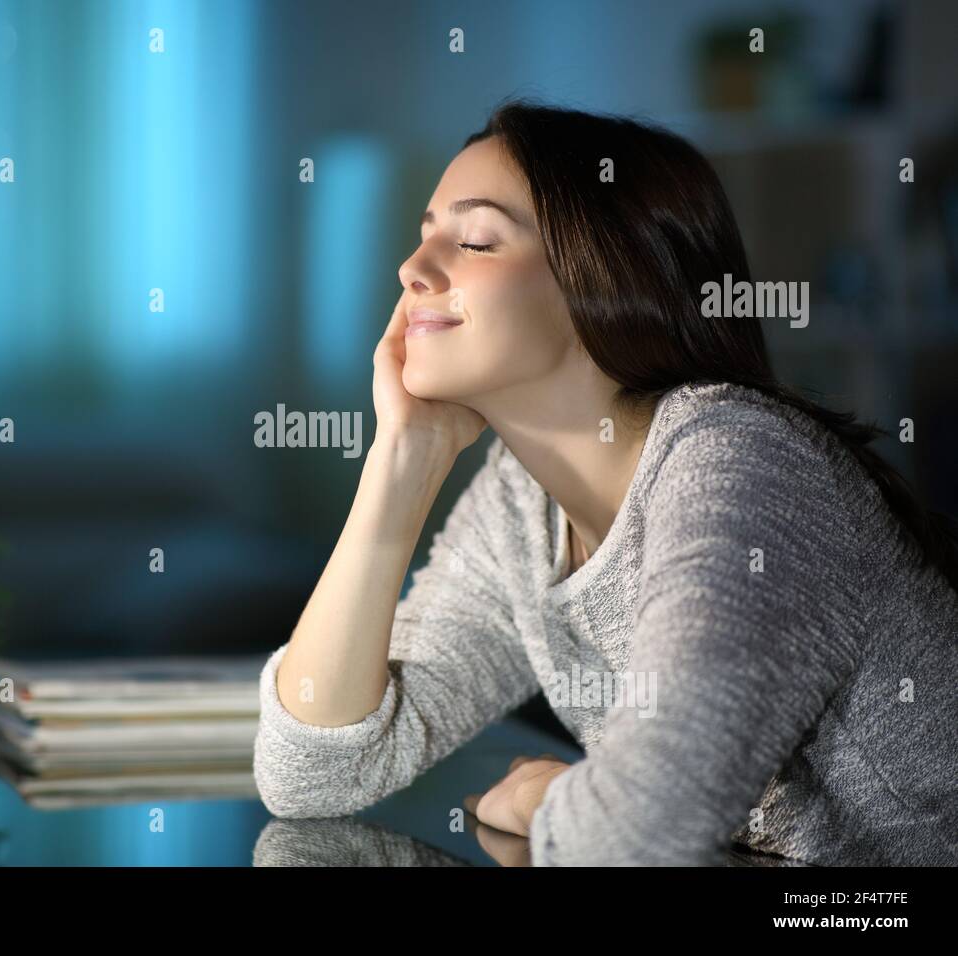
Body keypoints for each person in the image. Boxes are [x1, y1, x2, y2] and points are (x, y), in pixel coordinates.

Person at [252, 99, 958, 866]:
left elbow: (636, 836)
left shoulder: (741, 464)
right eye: (425, 237)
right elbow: (310, 775)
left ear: (603, 279)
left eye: (476, 240)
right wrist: (398, 470)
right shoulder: (519, 505)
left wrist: (549, 798)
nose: (412, 270)